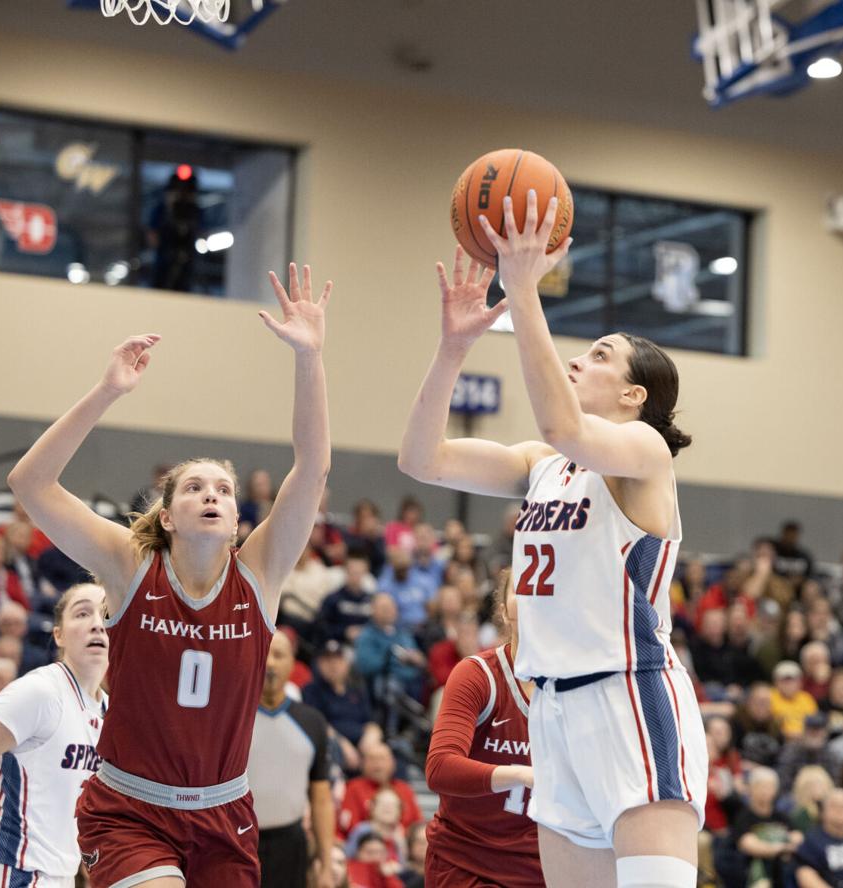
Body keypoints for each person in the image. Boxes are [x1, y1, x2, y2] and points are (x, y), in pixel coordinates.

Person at [398, 193, 707, 888]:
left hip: (628, 694)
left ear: (634, 395)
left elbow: (566, 425)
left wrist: (523, 290)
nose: (577, 358)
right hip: (554, 707)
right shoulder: (542, 464)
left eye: (599, 356)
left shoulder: (643, 451)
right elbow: (422, 461)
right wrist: (453, 350)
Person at [6, 262, 332, 888]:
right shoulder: (131, 568)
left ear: (238, 519)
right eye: (193, 487)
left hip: (225, 814)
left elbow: (312, 467)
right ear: (170, 515)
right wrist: (107, 392)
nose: (210, 494)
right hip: (130, 809)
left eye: (223, 489)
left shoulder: (260, 574)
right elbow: (30, 483)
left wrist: (309, 357)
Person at [0, 584, 107, 888]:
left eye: (107, 614)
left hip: (61, 875)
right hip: (12, 871)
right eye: (83, 613)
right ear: (58, 634)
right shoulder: (40, 692)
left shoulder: (109, 711)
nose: (98, 623)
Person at [423, 571, 542, 887]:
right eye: (522, 588)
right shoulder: (477, 675)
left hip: (545, 868)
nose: (533, 595)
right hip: (466, 863)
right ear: (504, 611)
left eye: (543, 585)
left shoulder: (582, 688)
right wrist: (522, 774)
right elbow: (440, 768)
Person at [248, 631, 335, 888]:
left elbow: (321, 798)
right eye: (264, 655)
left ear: (293, 663)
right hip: (236, 841)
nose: (271, 663)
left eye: (279, 655)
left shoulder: (312, 722)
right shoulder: (231, 718)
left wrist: (326, 864)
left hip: (290, 843)